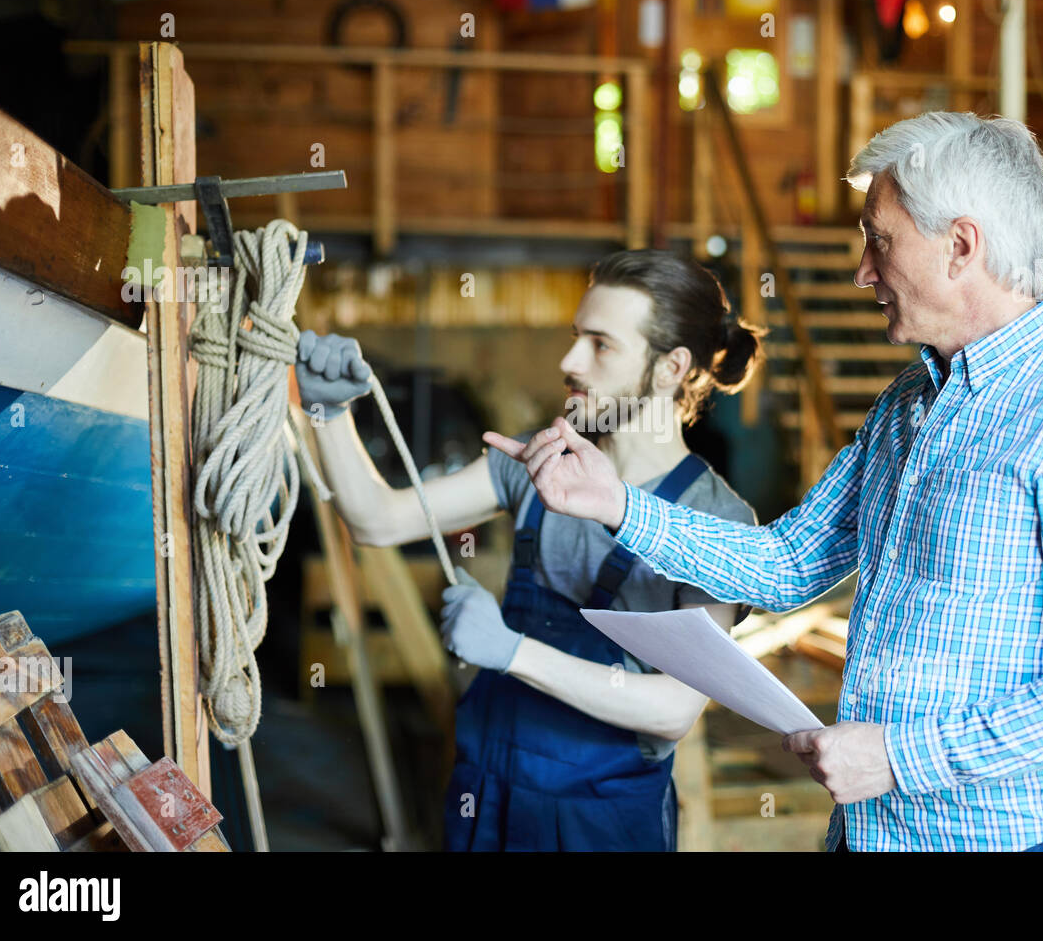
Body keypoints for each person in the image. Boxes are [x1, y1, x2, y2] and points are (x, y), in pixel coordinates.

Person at [487, 112, 1043, 852]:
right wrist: (616, 504)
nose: (863, 271)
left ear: (961, 246)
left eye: (879, 240)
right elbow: (785, 565)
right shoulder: (907, 405)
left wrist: (897, 759)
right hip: (867, 834)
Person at [295, 249, 762, 851]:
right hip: (487, 794)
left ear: (671, 368)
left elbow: (674, 707)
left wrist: (512, 651)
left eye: (601, 345)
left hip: (603, 820)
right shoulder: (538, 461)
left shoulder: (716, 519)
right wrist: (329, 412)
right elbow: (377, 520)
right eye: (576, 337)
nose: (569, 361)